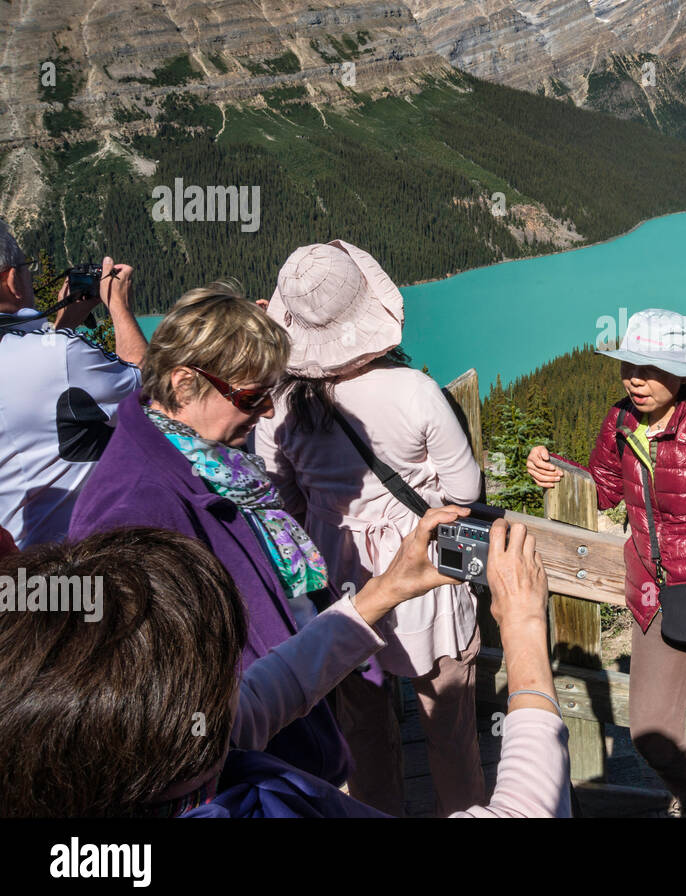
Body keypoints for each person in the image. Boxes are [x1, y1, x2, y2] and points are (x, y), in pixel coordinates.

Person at [0, 517, 572, 818]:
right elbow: (526, 812)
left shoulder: (133, 770)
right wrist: (522, 626)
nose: (234, 674)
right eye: (220, 663)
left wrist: (384, 591)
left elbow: (261, 698)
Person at [68, 282, 350, 786]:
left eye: (272, 391)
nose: (266, 410)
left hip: (281, 733)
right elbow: (134, 686)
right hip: (240, 771)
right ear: (182, 385)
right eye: (251, 394)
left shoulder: (206, 459)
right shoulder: (132, 506)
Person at [253, 241, 485, 817]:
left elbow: (279, 499)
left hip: (341, 578)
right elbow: (466, 494)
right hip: (426, 566)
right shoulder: (415, 392)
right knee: (449, 727)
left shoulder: (278, 406)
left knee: (363, 730)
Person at [527, 309, 686, 814]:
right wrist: (555, 467)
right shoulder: (621, 421)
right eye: (628, 366)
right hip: (655, 597)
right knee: (649, 731)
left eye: (652, 368)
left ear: (685, 373)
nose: (635, 380)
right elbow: (603, 490)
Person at [0, 223, 148, 548]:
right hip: (62, 565)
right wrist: (118, 306)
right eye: (26, 269)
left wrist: (63, 325)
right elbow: (145, 386)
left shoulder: (44, 355)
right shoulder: (58, 357)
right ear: (11, 279)